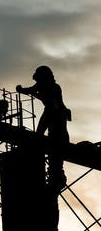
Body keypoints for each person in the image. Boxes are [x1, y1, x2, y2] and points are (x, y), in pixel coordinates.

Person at [16, 65, 71, 193]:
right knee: (51, 135)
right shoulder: (48, 85)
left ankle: (55, 168)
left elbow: (36, 92)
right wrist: (26, 91)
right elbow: (34, 91)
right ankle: (54, 168)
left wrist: (22, 90)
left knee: (49, 135)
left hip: (55, 112)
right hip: (55, 112)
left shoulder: (50, 86)